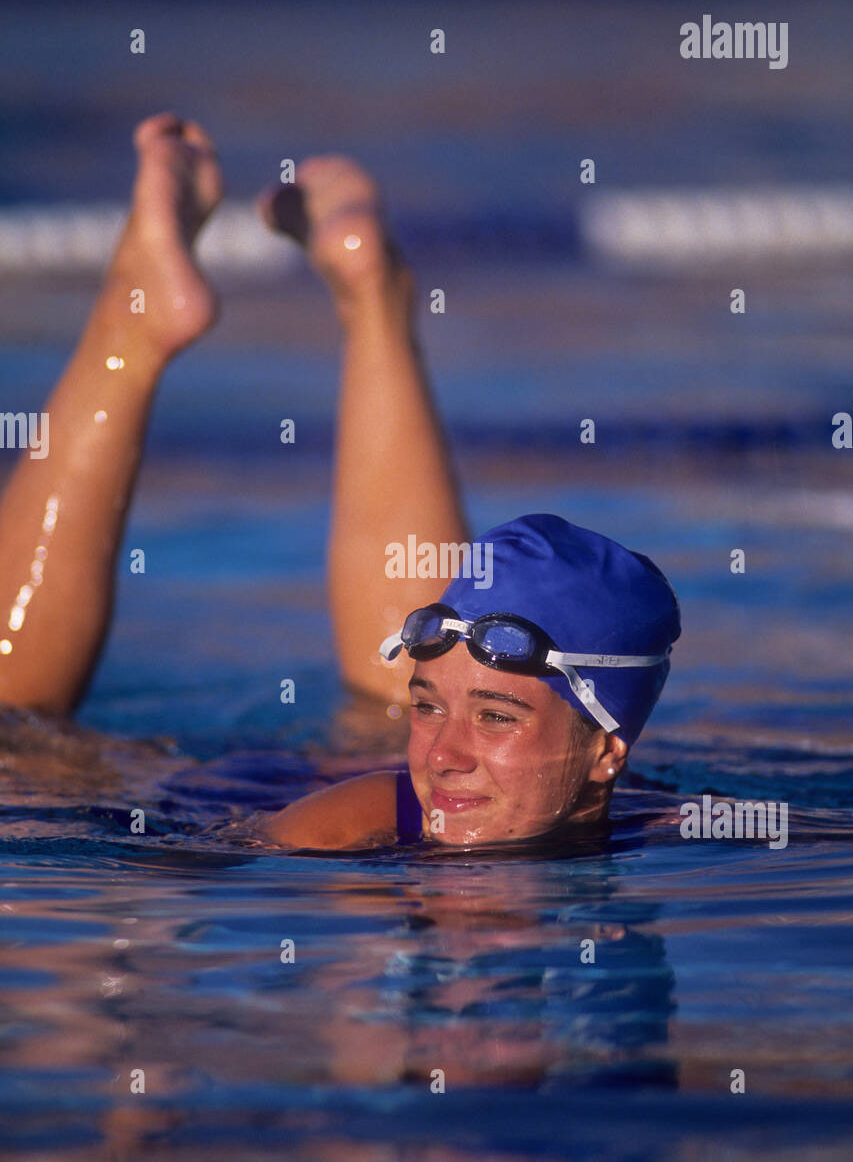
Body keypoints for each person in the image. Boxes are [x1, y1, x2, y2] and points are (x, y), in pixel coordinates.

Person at [0, 114, 680, 850]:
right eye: (431, 711)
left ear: (610, 753)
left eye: (496, 717)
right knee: (16, 737)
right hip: (220, 802)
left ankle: (369, 289)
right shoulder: (349, 824)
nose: (441, 756)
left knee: (382, 712)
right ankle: (134, 329)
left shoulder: (681, 827)